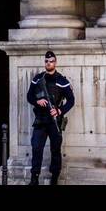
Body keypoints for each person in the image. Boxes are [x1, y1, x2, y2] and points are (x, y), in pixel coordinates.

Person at [26, 50, 75, 186]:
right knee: (36, 148)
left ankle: (54, 177)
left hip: (54, 122)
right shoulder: (38, 79)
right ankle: (34, 178)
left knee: (55, 150)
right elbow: (29, 96)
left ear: (55, 62)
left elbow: (71, 101)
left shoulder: (62, 80)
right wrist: (37, 101)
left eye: (51, 61)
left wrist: (59, 110)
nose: (49, 63)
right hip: (41, 120)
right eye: (47, 61)